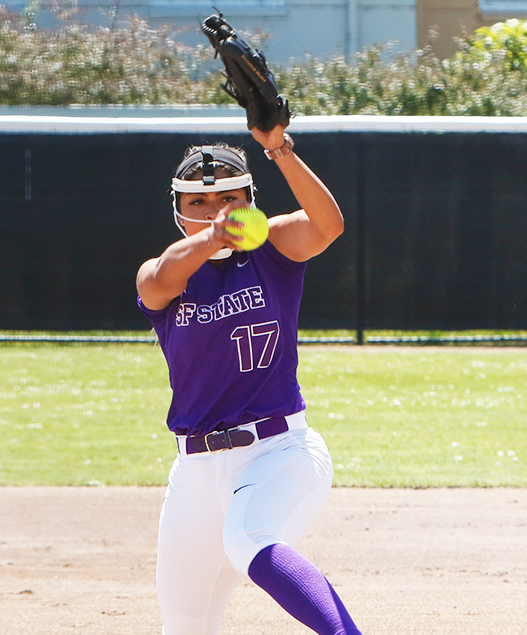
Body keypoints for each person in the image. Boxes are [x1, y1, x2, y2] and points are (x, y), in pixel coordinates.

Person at [136, 123, 363, 635]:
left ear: (252, 204)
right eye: (200, 203)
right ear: (178, 211)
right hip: (194, 471)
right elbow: (159, 279)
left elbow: (328, 225)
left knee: (248, 538)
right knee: (185, 625)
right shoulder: (164, 271)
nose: (216, 211)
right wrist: (215, 235)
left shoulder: (273, 250)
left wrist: (277, 148)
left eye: (231, 199)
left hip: (278, 450)